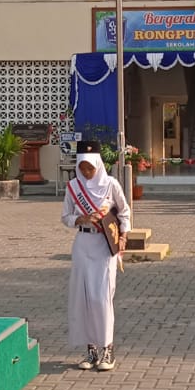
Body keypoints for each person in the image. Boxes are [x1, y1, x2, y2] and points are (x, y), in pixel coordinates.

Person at [61, 141, 130, 371]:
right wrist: (79, 220)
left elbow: (124, 211)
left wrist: (123, 238)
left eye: (90, 167)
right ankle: (90, 351)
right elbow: (65, 216)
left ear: (98, 165)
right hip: (83, 244)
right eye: (82, 168)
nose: (86, 172)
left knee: (102, 298)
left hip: (105, 246)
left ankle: (107, 349)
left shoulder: (111, 184)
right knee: (84, 298)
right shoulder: (73, 187)